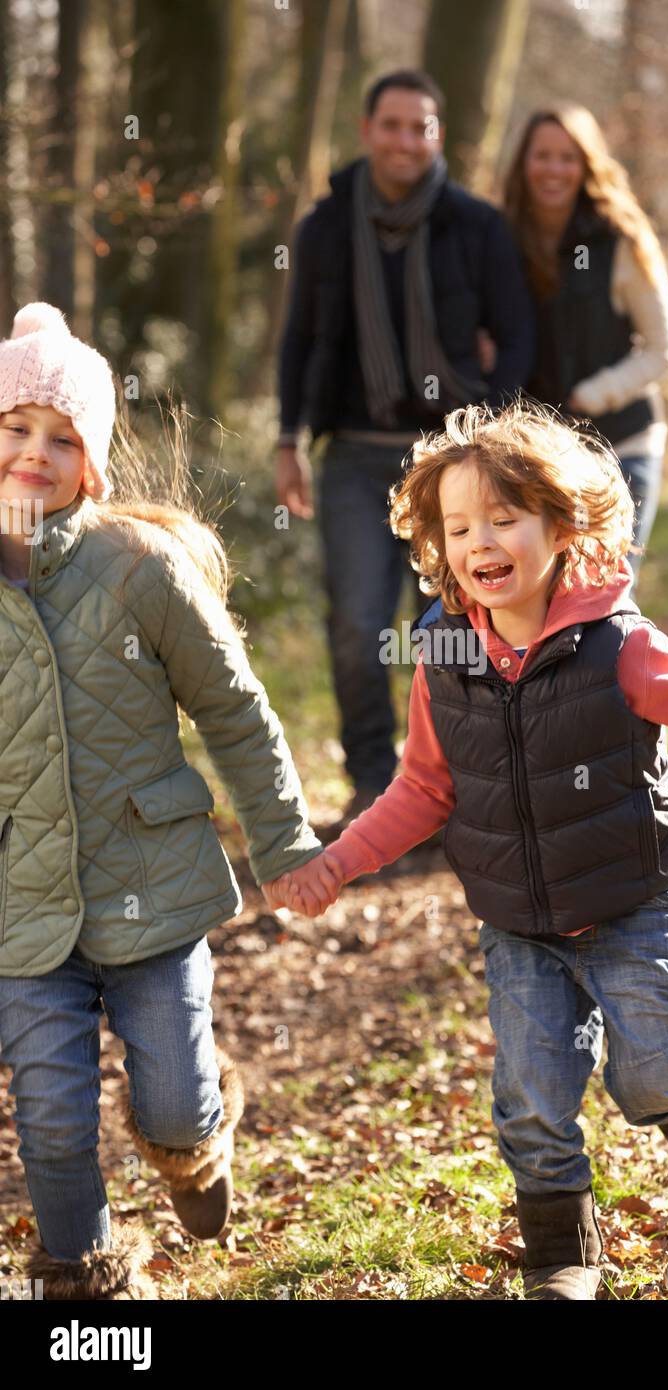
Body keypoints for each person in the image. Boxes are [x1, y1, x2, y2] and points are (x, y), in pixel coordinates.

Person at [271, 400, 668, 1300]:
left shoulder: (617, 648)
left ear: (561, 524)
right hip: (516, 920)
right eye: (460, 524)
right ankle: (561, 1254)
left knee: (653, 1072)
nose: (482, 540)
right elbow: (424, 789)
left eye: (505, 517)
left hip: (630, 902)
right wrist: (335, 862)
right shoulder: (442, 653)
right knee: (532, 1098)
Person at [0, 303, 326, 1300]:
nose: (35, 453)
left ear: (93, 466)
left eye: (62, 439)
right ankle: (85, 1287)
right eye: (15, 428)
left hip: (152, 888)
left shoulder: (140, 570)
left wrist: (283, 844)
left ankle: (199, 1151)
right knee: (50, 1120)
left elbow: (232, 709)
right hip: (24, 908)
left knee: (175, 1106)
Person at [276, 68, 534, 839]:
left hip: (456, 461)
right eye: (391, 126)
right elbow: (298, 341)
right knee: (358, 624)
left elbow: (516, 329)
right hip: (354, 452)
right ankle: (372, 783)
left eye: (419, 128)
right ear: (367, 132)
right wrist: (289, 438)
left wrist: (498, 429)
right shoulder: (326, 228)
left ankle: (459, 786)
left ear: (437, 137)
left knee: (453, 622)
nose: (404, 141)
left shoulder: (475, 226)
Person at [499, 105, 668, 586]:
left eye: (568, 157)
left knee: (603, 594)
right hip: (538, 457)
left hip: (622, 445)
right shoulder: (500, 237)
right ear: (523, 163)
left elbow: (666, 349)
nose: (553, 169)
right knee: (545, 600)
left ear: (587, 164)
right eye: (542, 156)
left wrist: (595, 393)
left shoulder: (620, 240)